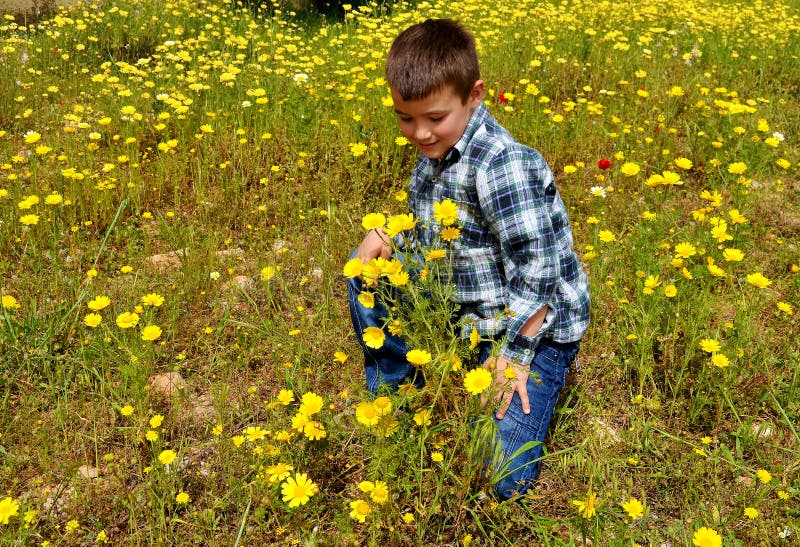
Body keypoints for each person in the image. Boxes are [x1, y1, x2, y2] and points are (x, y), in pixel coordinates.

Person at [346, 18, 590, 499]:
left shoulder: (503, 164)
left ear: (475, 95)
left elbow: (539, 273)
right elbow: (437, 238)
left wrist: (512, 358)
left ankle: (521, 377)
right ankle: (399, 389)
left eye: (434, 118)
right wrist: (386, 236)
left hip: (531, 331)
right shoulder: (436, 153)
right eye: (404, 117)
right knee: (362, 266)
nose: (419, 133)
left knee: (499, 477)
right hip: (466, 314)